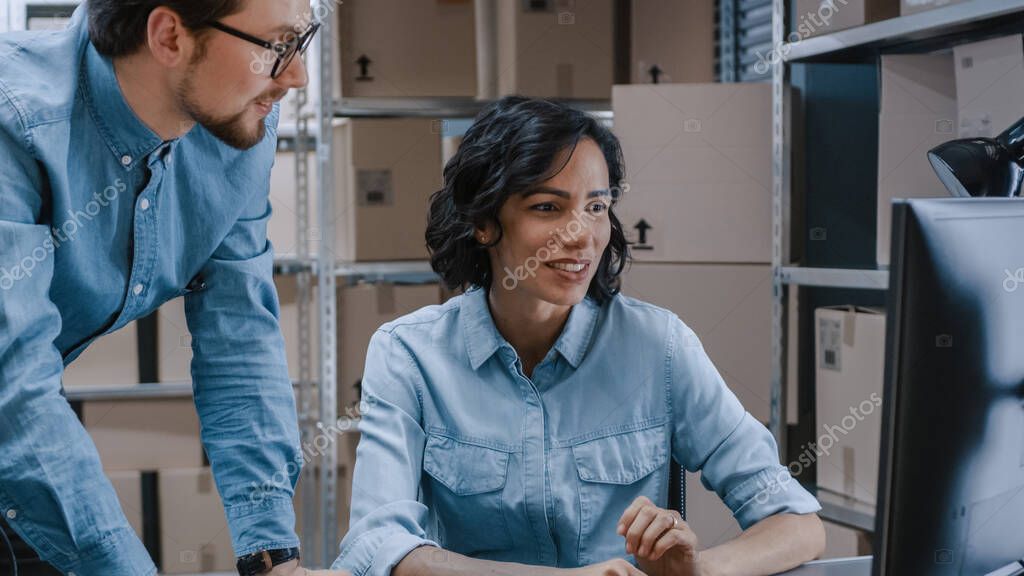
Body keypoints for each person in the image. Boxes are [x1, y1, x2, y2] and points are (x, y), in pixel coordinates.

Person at [333, 97, 826, 576]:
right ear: (483, 223)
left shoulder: (660, 348)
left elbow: (797, 524)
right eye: (548, 207)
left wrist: (699, 569)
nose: (581, 234)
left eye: (596, 206)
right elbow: (380, 547)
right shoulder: (409, 355)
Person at [0, 1, 347, 574]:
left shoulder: (233, 128)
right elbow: (13, 388)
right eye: (275, 47)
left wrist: (271, 555)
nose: (296, 76)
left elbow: (239, 336)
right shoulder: (18, 116)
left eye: (301, 40)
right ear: (169, 37)